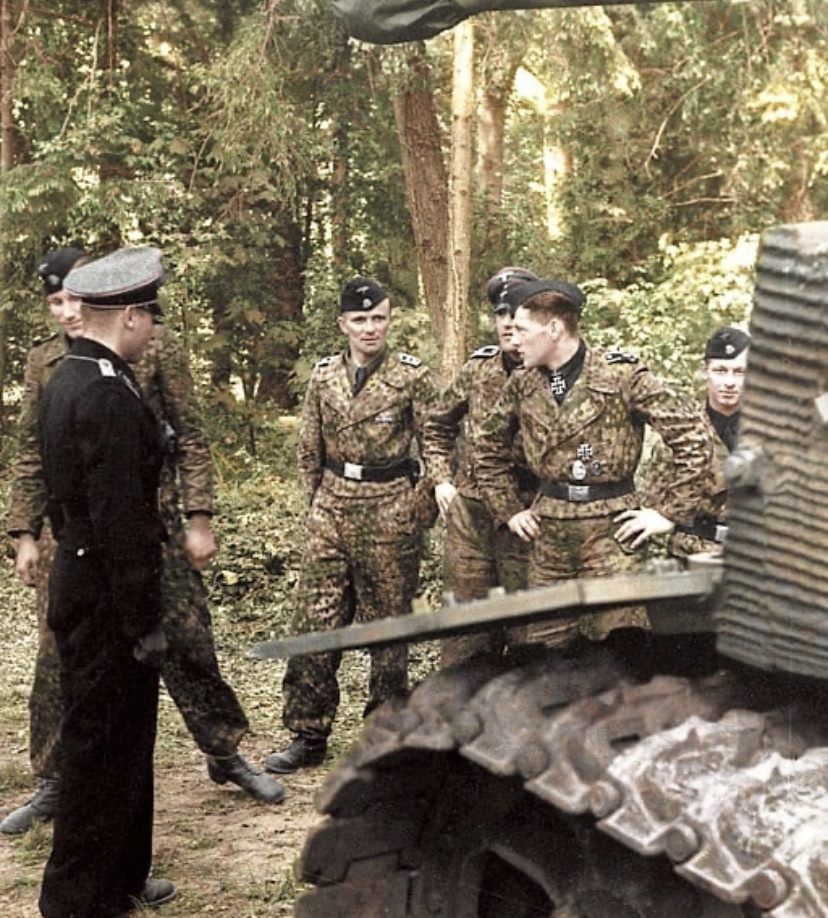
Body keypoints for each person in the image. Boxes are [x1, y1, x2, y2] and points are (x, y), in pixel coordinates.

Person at [2, 249, 283, 838]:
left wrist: (199, 518)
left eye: (73, 300)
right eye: (55, 302)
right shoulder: (47, 362)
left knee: (185, 638)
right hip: (75, 535)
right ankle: (55, 775)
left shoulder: (153, 343)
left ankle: (224, 749)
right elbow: (29, 452)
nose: (66, 312)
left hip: (152, 525)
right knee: (60, 658)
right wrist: (25, 532)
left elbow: (192, 436)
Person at [37, 246, 173, 917]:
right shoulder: (104, 394)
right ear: (128, 317)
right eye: (149, 315)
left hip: (86, 578)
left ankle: (119, 880)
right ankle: (73, 900)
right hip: (106, 595)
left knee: (124, 740)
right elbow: (122, 522)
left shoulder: (75, 376)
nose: (152, 328)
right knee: (98, 749)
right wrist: (144, 620)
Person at [475, 279, 712, 647]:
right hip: (548, 533)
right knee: (547, 650)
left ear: (554, 329)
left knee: (621, 649)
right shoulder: (523, 382)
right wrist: (508, 510)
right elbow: (486, 447)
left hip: (613, 531)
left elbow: (692, 436)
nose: (513, 338)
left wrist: (667, 513)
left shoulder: (620, 375)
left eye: (522, 329)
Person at [266, 277, 437, 773]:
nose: (370, 328)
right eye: (360, 319)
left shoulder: (412, 377)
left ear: (389, 320)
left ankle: (382, 738)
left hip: (390, 507)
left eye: (378, 318)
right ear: (343, 324)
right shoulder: (324, 377)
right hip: (332, 508)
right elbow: (308, 448)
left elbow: (437, 445)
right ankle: (307, 732)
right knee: (314, 622)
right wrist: (314, 504)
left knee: (388, 631)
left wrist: (418, 508)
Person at [424, 266, 539, 665]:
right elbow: (436, 424)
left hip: (527, 515)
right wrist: (441, 479)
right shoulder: (478, 369)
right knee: (465, 633)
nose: (507, 323)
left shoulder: (552, 372)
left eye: (516, 313)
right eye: (500, 314)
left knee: (529, 631)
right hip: (471, 518)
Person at [618, 326, 750, 557]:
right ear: (705, 371)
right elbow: (653, 504)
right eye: (720, 370)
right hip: (693, 552)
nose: (729, 382)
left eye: (739, 372)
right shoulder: (682, 430)